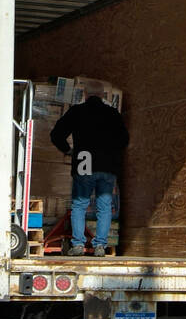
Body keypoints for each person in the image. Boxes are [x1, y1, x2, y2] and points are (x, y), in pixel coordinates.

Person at [49, 93, 129, 256]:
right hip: (107, 166)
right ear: (102, 99)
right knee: (104, 207)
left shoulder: (77, 111)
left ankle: (78, 245)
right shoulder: (112, 113)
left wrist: (68, 150)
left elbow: (56, 134)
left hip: (84, 163)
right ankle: (100, 246)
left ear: (85, 97)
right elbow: (124, 139)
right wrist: (111, 153)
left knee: (79, 205)